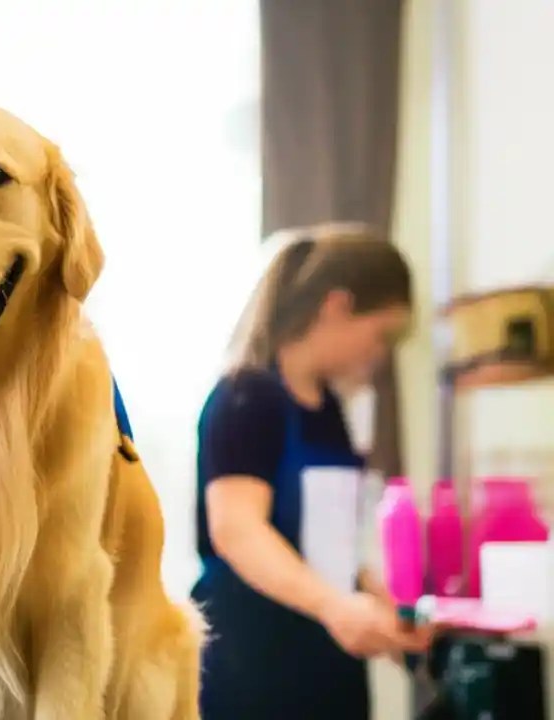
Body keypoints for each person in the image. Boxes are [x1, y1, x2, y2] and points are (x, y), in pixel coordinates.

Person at [190, 224, 432, 719]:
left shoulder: (329, 412)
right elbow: (237, 529)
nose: (380, 354)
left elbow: (329, 545)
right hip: (253, 664)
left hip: (324, 665)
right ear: (337, 306)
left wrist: (386, 610)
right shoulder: (246, 397)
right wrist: (336, 608)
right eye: (381, 334)